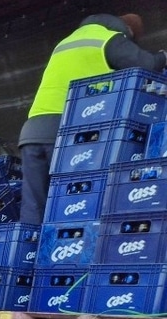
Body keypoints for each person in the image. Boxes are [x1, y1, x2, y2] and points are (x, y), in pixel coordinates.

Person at [19, 13, 167, 225]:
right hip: (66, 130)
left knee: (34, 205)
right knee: (76, 198)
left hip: (31, 132)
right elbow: (147, 64)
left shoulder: (66, 42)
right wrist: (164, 56)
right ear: (128, 30)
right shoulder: (109, 39)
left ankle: (29, 245)